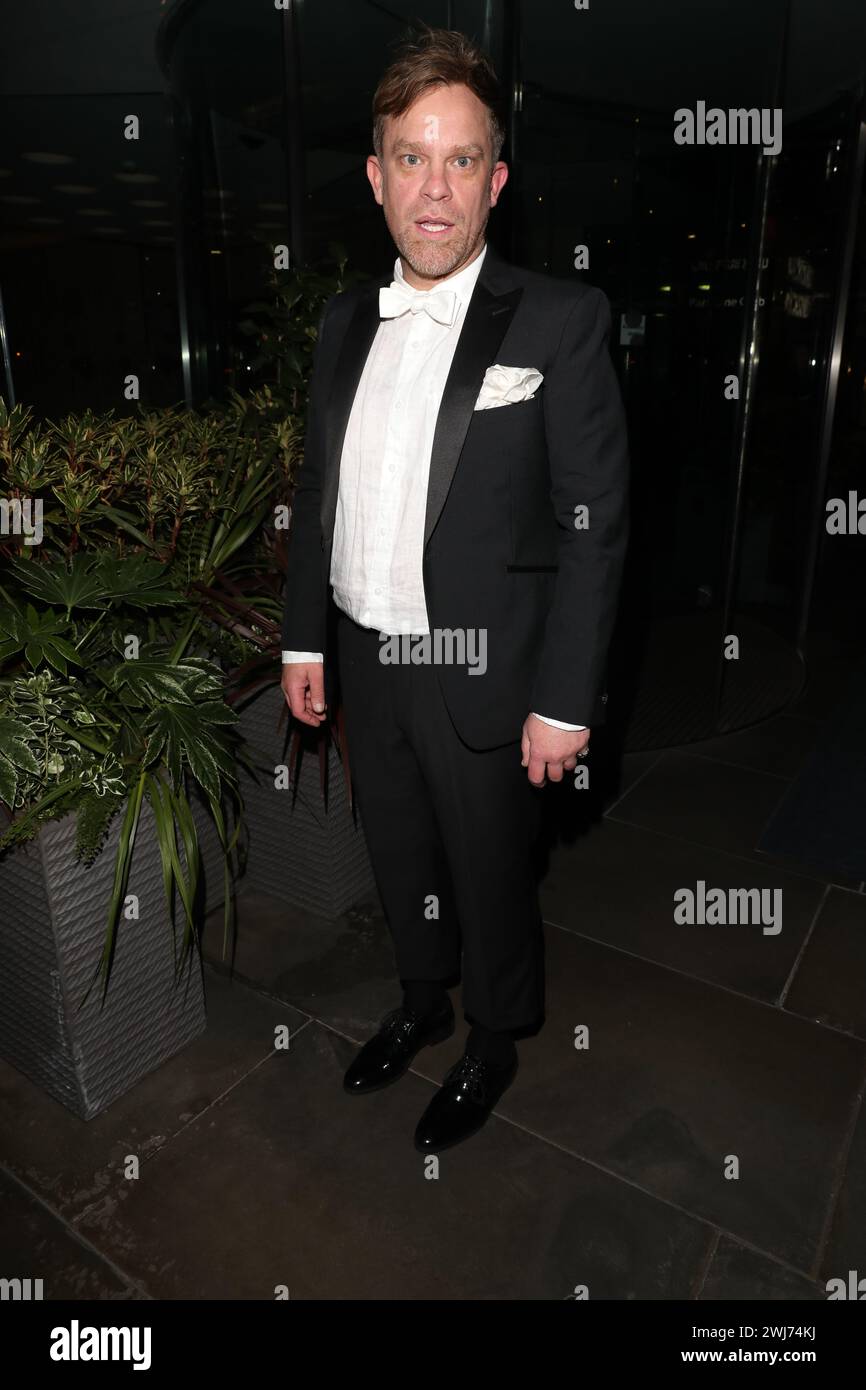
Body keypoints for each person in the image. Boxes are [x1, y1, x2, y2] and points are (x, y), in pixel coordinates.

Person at [281, 25, 629, 1153]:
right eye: (411, 158)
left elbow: (593, 528)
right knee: (399, 857)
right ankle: (419, 1003)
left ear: (496, 180)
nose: (435, 189)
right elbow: (316, 493)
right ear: (376, 175)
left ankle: (489, 1038)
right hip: (367, 657)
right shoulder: (342, 320)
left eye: (462, 159)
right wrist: (302, 642)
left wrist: (565, 697)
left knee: (487, 874)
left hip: (485, 666)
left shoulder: (561, 322)